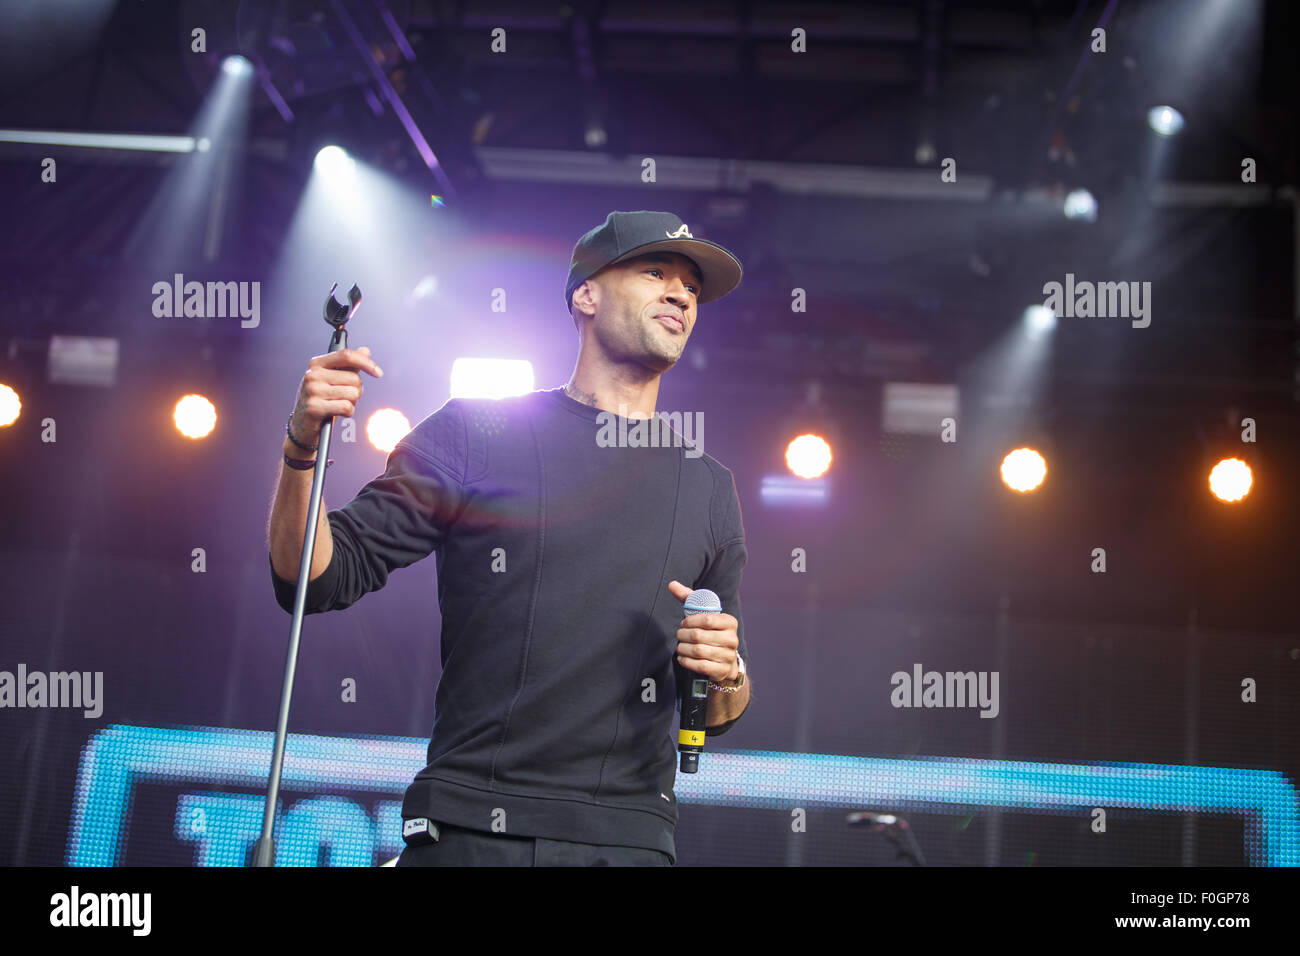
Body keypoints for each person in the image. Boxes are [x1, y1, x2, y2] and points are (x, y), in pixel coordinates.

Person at [267, 210, 751, 866]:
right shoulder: (477, 432)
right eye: (654, 271)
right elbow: (316, 577)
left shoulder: (709, 489)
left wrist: (727, 671)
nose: (680, 294)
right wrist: (301, 448)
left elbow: (718, 708)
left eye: (692, 287)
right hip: (473, 826)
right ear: (585, 294)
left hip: (627, 839)